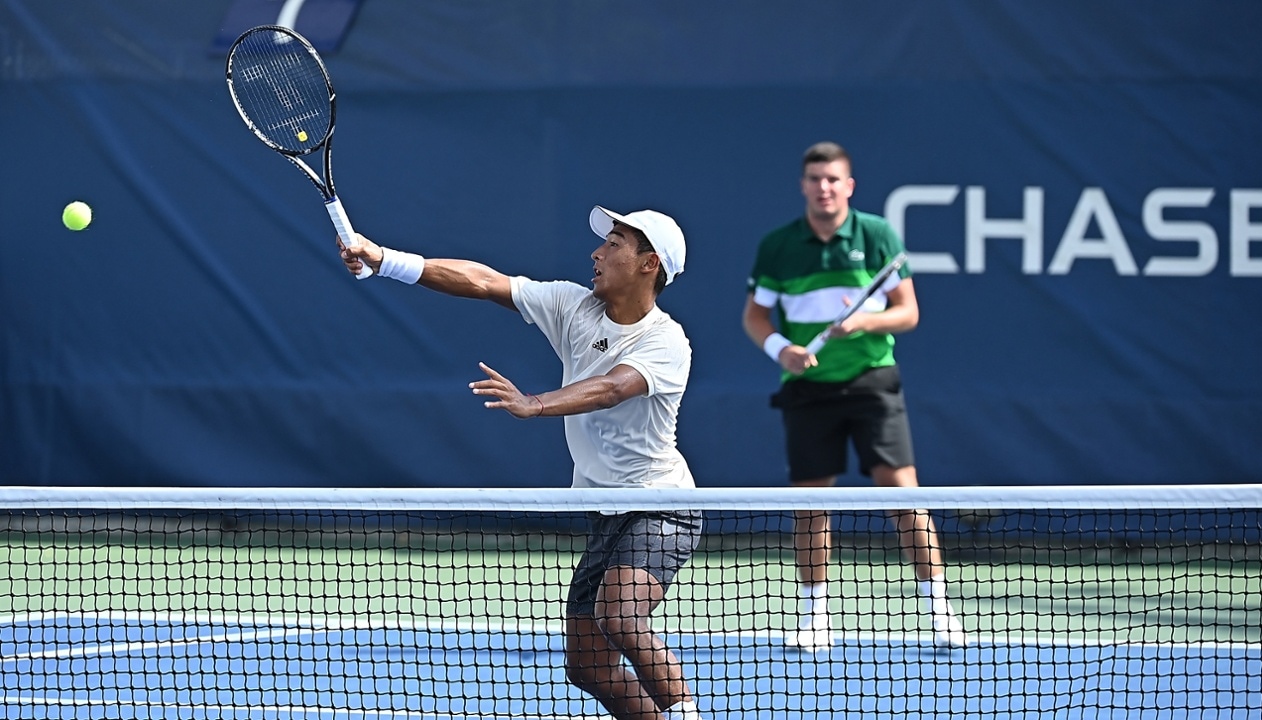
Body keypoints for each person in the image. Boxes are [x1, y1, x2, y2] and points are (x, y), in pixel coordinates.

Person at [338, 206, 705, 720]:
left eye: (614, 244)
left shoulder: (666, 341)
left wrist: (536, 403)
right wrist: (383, 259)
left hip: (660, 506)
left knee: (620, 617)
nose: (597, 253)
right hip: (605, 509)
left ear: (649, 264)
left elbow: (612, 387)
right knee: (589, 667)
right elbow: (484, 281)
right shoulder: (573, 307)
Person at [741, 141, 968, 652]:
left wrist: (864, 321)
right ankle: (815, 618)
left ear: (848, 186)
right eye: (815, 179)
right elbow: (755, 317)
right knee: (810, 505)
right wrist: (782, 350)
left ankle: (940, 613)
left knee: (904, 497)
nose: (824, 187)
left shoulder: (877, 234)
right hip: (807, 389)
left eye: (832, 179)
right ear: (804, 185)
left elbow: (907, 312)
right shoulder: (778, 246)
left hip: (872, 381)